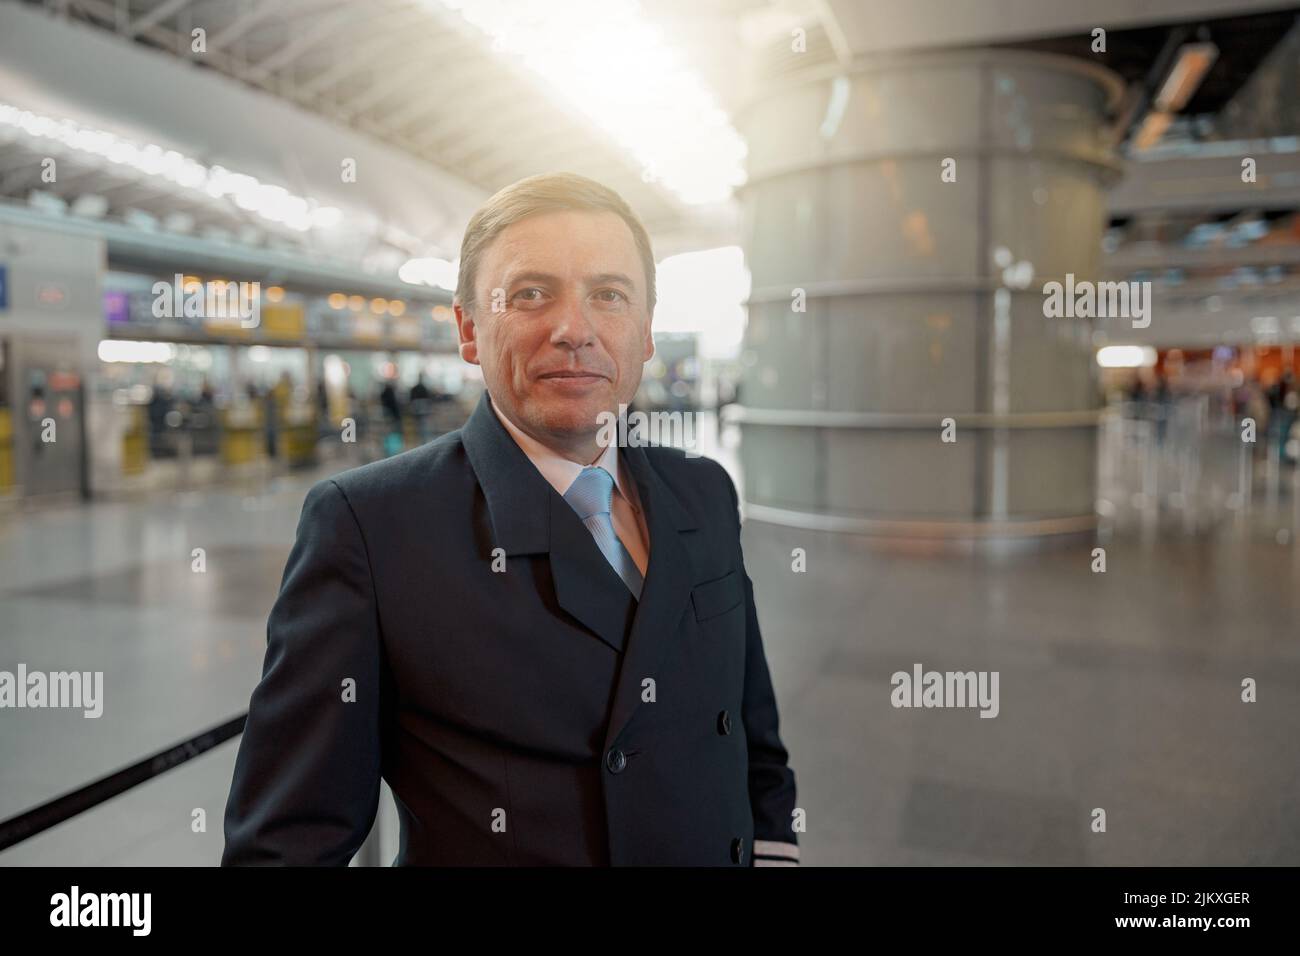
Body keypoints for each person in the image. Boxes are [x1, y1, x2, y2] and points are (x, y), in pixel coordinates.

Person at [222, 172, 799, 867]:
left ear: (645, 332)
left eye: (609, 296)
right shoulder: (373, 529)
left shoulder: (703, 492)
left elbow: (748, 724)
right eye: (530, 294)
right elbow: (285, 844)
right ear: (469, 330)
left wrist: (773, 849)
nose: (574, 330)